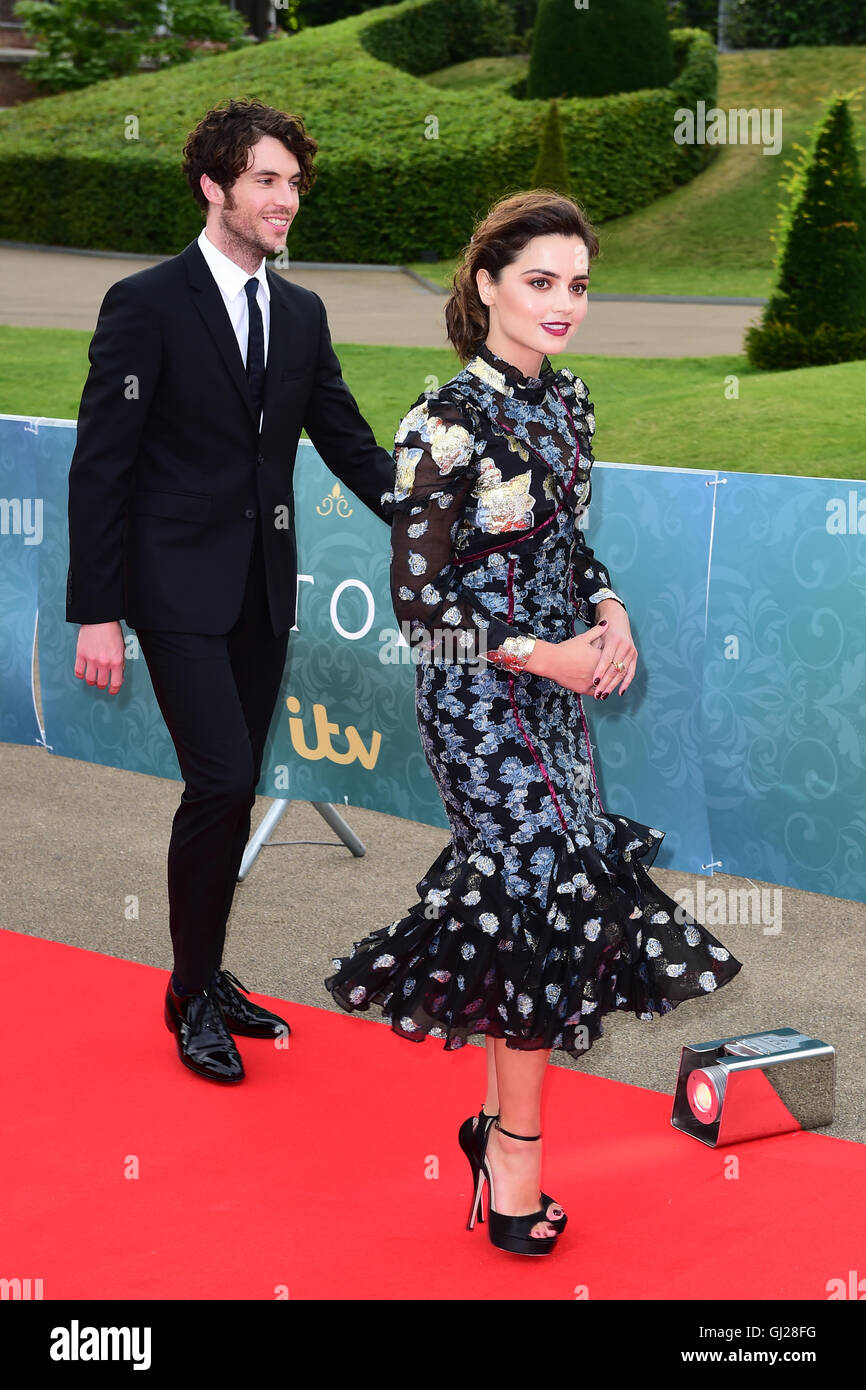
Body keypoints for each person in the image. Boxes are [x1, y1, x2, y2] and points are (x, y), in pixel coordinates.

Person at [325, 189, 743, 1256]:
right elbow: (418, 611)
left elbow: (567, 546)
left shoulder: (569, 405)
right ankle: (512, 1162)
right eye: (539, 282)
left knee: (550, 914)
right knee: (539, 893)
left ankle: (499, 1139)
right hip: (475, 704)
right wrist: (536, 651)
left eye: (578, 285)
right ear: (485, 286)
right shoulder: (441, 422)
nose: (563, 305)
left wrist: (606, 611)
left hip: (558, 701)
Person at [66, 98, 395, 1085]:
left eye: (292, 180)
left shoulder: (298, 312)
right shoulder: (146, 302)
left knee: (235, 786)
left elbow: (345, 441)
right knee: (217, 782)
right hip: (173, 590)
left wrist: (434, 517)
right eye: (264, 179)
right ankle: (187, 996)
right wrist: (97, 607)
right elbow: (101, 464)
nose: (283, 197)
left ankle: (203, 973)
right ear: (213, 186)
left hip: (262, 591)